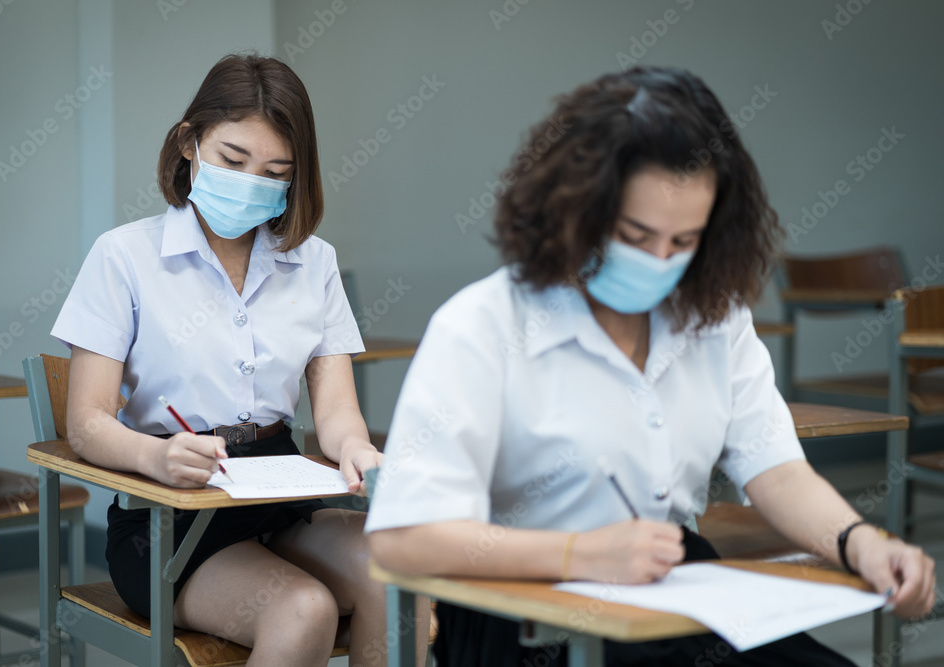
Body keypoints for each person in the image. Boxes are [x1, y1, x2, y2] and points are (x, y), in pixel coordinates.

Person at [364, 67, 937, 666]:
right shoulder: (483, 325)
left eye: (684, 242)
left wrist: (860, 542)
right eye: (635, 236)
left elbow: (778, 473)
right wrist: (579, 554)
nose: (660, 261)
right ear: (575, 211)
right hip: (524, 607)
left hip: (672, 587)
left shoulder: (713, 315)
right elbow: (405, 539)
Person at [52, 53, 428, 666]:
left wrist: (357, 450)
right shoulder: (123, 256)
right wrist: (157, 455)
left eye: (275, 170)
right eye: (233, 160)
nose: (253, 182)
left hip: (279, 498)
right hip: (167, 514)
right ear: (187, 144)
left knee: (401, 575)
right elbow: (88, 422)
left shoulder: (315, 262)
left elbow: (336, 414)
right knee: (302, 610)